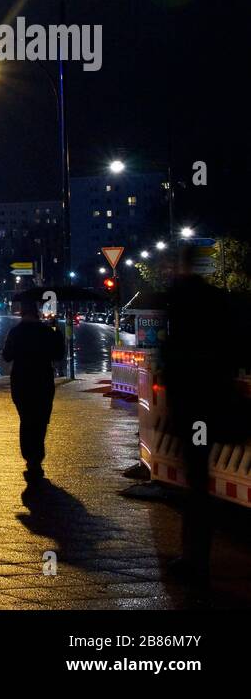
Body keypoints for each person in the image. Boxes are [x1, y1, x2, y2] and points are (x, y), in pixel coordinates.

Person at [160, 245, 238, 584]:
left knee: (195, 480)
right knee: (198, 476)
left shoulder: (180, 299)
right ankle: (197, 555)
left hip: (191, 402)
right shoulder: (218, 300)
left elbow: (174, 351)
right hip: (211, 399)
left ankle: (194, 558)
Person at [2, 301, 65, 481]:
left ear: (22, 313)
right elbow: (58, 354)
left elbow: (6, 356)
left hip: (21, 383)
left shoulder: (15, 332)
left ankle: (30, 458)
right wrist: (56, 331)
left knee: (26, 420)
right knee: (40, 421)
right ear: (37, 312)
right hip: (42, 382)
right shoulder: (46, 332)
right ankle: (36, 457)